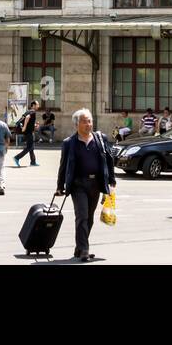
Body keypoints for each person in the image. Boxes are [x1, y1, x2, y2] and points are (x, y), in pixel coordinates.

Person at [54, 108, 116, 262]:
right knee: (81, 216)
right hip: (78, 184)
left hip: (96, 184)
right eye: (84, 121)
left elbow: (109, 160)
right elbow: (63, 166)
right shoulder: (69, 143)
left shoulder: (100, 139)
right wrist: (59, 186)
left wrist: (112, 182)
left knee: (89, 219)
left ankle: (79, 247)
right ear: (77, 124)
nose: (88, 124)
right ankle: (85, 251)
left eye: (90, 121)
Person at [13, 100, 39, 167]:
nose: (38, 106)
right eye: (37, 105)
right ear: (33, 105)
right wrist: (24, 127)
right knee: (29, 147)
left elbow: (28, 121)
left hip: (27, 132)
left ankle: (33, 162)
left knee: (31, 147)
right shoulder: (33, 112)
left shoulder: (28, 111)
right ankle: (17, 157)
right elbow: (27, 118)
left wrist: (34, 125)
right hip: (28, 132)